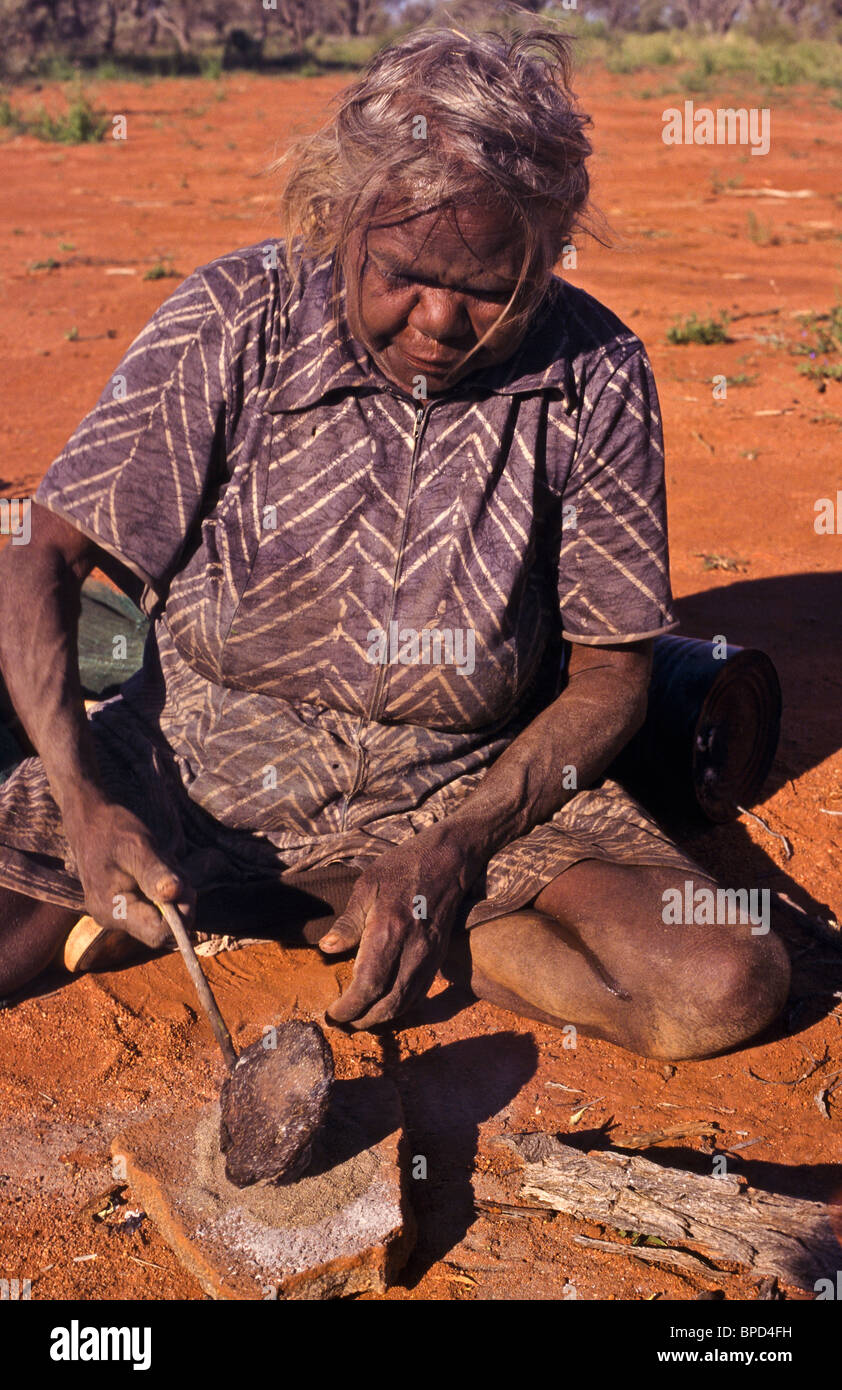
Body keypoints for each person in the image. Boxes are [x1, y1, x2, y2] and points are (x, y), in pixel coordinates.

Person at [0, 25, 789, 1059]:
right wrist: (85, 801)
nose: (441, 320)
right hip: (188, 766)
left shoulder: (595, 374)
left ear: (547, 256)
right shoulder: (235, 318)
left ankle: (383, 911)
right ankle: (258, 899)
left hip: (455, 785)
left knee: (722, 982)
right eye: (406, 273)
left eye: (489, 288)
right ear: (341, 218)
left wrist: (457, 846)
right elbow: (39, 557)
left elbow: (612, 677)